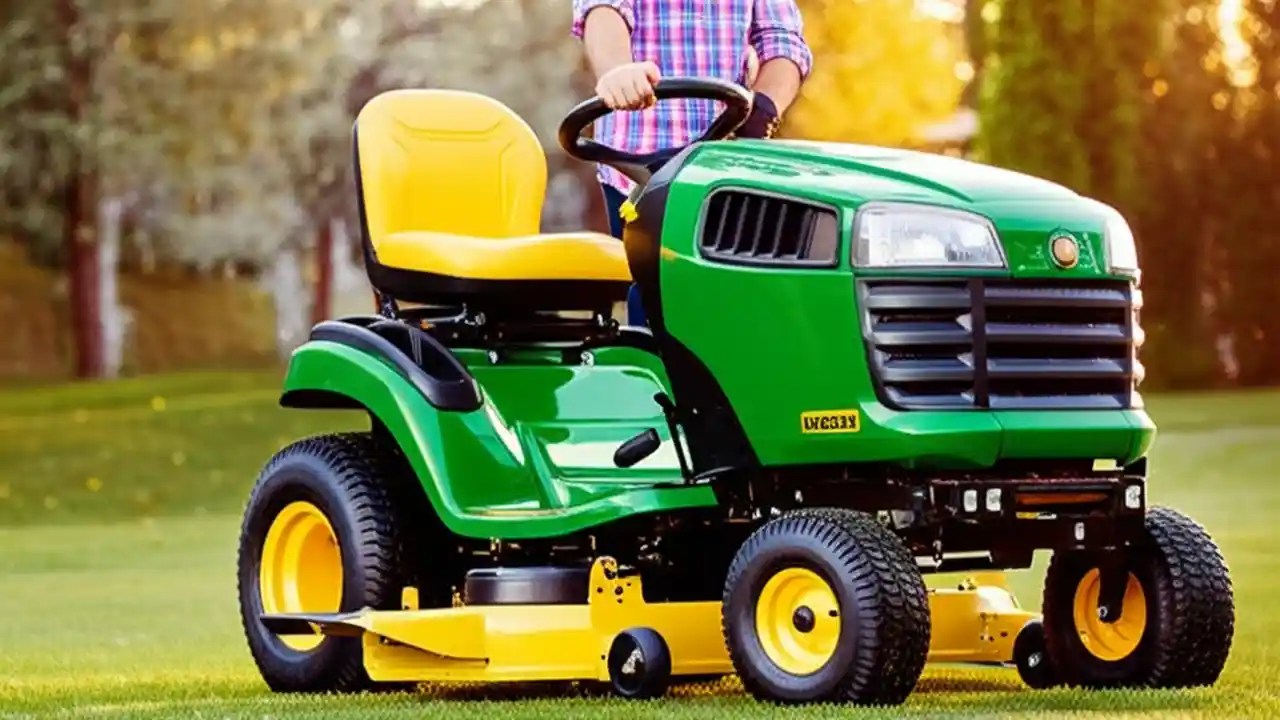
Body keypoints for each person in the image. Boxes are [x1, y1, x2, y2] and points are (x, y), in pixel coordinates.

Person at [571, 0, 813, 325]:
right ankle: (651, 368)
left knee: (734, 295)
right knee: (655, 292)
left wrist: (766, 106)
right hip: (639, 164)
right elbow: (603, 10)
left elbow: (782, 40)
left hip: (722, 163)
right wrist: (617, 73)